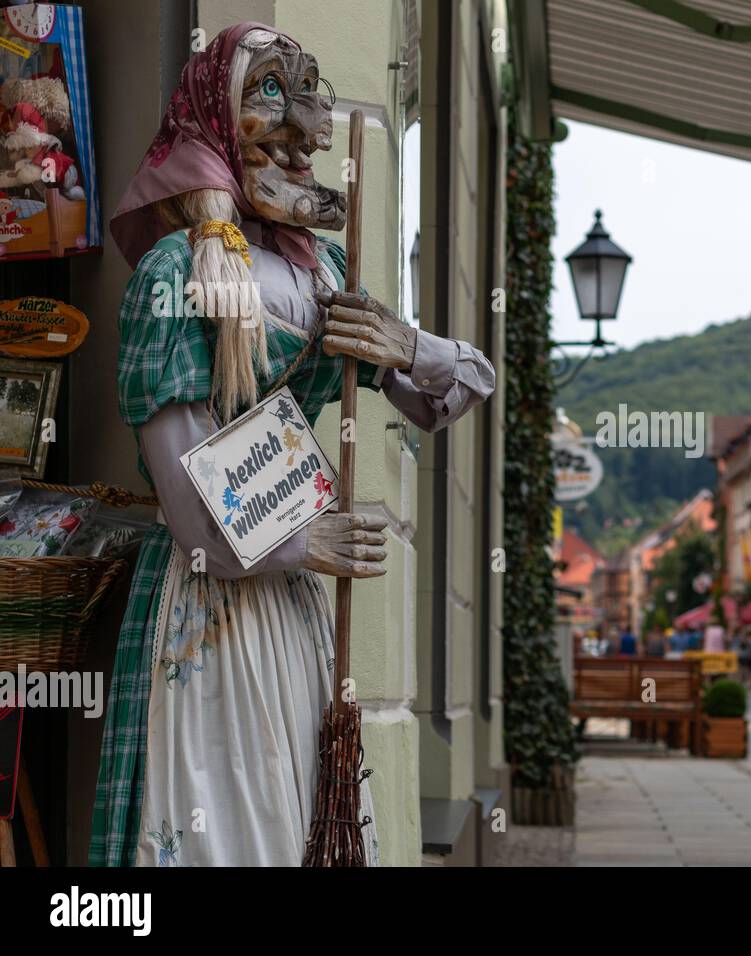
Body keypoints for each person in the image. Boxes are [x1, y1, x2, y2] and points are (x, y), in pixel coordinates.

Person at [91, 23, 494, 868]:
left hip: (300, 619)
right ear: (212, 113)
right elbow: (190, 508)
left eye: (306, 98)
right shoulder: (177, 273)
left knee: (299, 814)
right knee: (233, 822)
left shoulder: (323, 277)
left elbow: (461, 390)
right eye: (269, 94)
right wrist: (308, 540)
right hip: (210, 617)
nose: (306, 130)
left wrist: (402, 343)